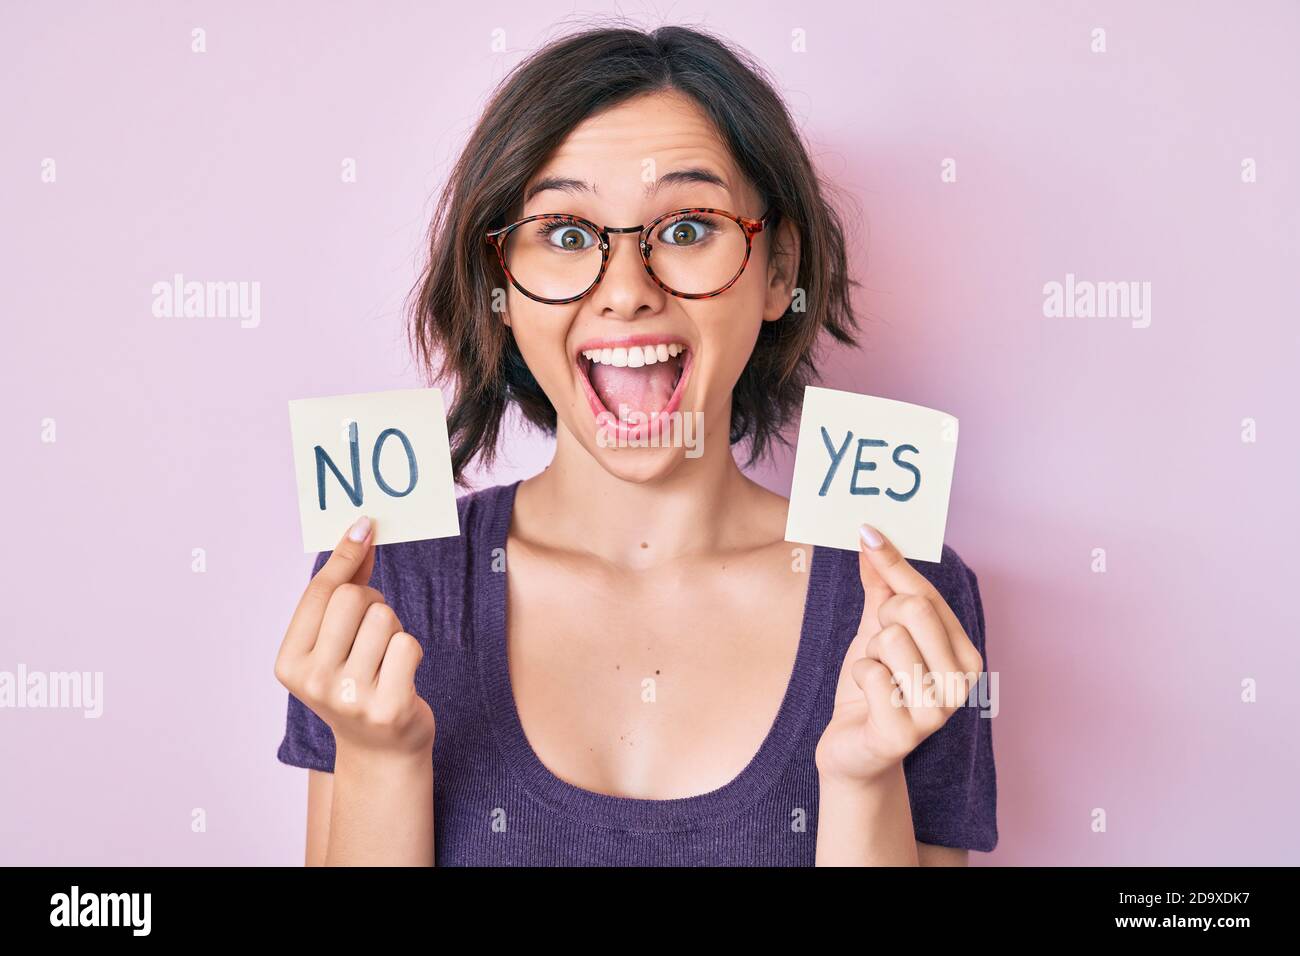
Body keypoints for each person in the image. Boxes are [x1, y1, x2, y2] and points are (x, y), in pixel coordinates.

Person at [274, 23, 996, 866]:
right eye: (567, 234)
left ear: (777, 269)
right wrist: (380, 758)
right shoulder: (389, 585)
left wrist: (861, 782)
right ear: (499, 287)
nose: (626, 293)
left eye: (688, 228)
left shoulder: (907, 601)